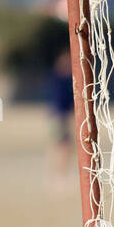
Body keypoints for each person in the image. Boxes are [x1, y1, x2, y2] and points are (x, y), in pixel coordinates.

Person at [48, 50, 76, 187]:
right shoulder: (59, 80)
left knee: (65, 146)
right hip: (58, 117)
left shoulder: (64, 80)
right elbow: (62, 101)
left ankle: (61, 175)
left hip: (62, 116)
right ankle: (58, 177)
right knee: (61, 146)